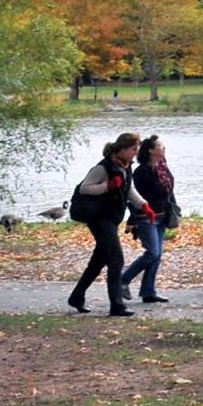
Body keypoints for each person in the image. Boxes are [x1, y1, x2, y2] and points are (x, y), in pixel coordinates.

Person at [69, 132, 153, 316]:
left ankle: (76, 296)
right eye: (132, 149)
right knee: (116, 260)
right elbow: (85, 188)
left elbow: (129, 189)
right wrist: (107, 186)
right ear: (122, 149)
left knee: (98, 261)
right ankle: (117, 306)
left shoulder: (126, 166)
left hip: (112, 218)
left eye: (136, 149)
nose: (135, 153)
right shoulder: (103, 167)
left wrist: (144, 206)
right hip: (98, 218)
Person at [119, 134, 176, 303]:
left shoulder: (162, 167)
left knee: (157, 255)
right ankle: (123, 279)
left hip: (162, 216)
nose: (163, 148)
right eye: (160, 145)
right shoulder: (141, 171)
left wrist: (173, 210)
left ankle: (148, 292)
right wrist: (133, 220)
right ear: (151, 150)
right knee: (152, 253)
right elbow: (133, 197)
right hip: (146, 218)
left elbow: (169, 191)